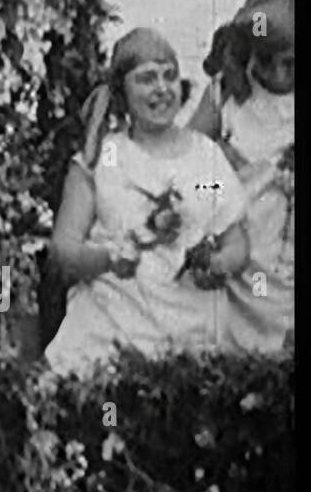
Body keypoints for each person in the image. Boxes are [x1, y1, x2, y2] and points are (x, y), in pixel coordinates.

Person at [45, 28, 249, 376]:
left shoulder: (206, 157)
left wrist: (216, 265)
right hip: (108, 338)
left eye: (169, 75)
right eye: (147, 79)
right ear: (122, 92)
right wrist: (107, 259)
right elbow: (61, 252)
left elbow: (237, 243)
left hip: (190, 342)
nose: (161, 89)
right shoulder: (101, 159)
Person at [188, 0, 294, 354]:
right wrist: (217, 156)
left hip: (281, 246)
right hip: (234, 237)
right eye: (267, 62)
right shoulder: (228, 94)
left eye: (290, 64)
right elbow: (188, 154)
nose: (280, 75)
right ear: (249, 52)